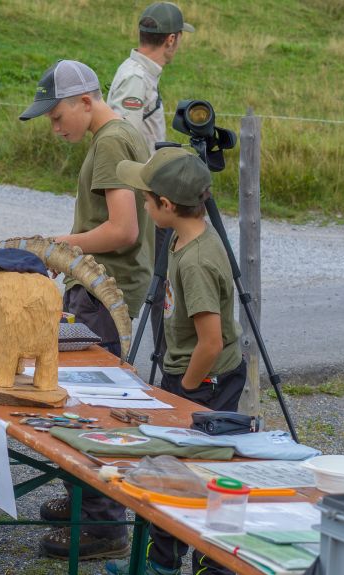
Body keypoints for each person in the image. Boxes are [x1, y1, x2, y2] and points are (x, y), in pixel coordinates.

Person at [19, 59, 153, 560]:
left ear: (85, 100)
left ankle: (103, 526)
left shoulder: (112, 141)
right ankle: (86, 496)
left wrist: (56, 247)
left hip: (106, 290)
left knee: (87, 403)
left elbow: (123, 231)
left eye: (57, 117)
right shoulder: (115, 136)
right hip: (97, 283)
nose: (56, 128)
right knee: (76, 391)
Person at [106, 147, 247, 575]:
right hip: (188, 374)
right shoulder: (184, 241)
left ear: (166, 206)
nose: (143, 206)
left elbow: (211, 341)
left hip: (205, 382)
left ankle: (213, 566)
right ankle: (162, 563)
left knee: (199, 473)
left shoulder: (198, 262)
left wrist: (184, 391)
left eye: (146, 200)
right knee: (165, 467)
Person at [107, 1, 195, 361]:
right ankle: (164, 362)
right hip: (146, 193)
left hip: (148, 190)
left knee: (162, 282)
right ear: (171, 40)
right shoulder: (136, 78)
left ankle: (163, 358)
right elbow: (123, 141)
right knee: (157, 283)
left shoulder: (140, 73)